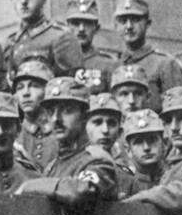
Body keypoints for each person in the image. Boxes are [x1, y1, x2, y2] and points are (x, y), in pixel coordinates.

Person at [17, 77, 118, 207]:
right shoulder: (52, 166)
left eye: (67, 110)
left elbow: (81, 191)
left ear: (85, 117)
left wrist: (30, 185)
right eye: (51, 111)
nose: (55, 119)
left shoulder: (97, 159)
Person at [1, 0, 83, 78]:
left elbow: (71, 86)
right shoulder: (10, 43)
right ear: (11, 0)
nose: (24, 1)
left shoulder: (62, 38)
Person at [112, 0, 182, 112]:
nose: (129, 26)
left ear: (148, 23)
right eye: (123, 21)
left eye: (135, 20)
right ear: (116, 25)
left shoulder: (165, 64)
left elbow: (176, 110)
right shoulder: (113, 64)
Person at [66, 0, 121, 94]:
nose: (81, 29)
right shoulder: (58, 62)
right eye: (75, 23)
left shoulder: (109, 65)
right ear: (67, 27)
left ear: (96, 28)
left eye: (87, 23)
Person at [13, 58, 60, 169]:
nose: (25, 93)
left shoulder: (61, 133)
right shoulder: (13, 137)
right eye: (20, 88)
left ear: (48, 91)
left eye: (34, 86)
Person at [118, 108, 167, 199]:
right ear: (128, 149)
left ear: (164, 143)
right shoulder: (123, 184)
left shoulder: (175, 178)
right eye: (138, 142)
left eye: (152, 140)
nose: (146, 148)